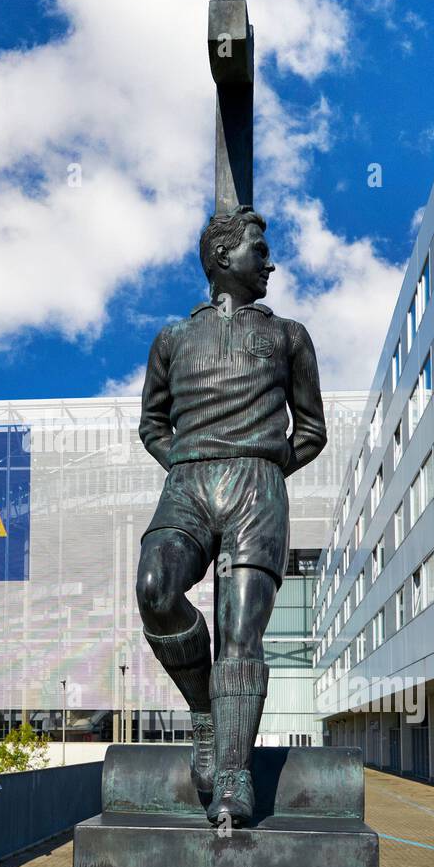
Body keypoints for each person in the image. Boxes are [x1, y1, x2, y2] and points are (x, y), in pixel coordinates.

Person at [137, 204, 326, 827]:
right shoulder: (172, 338)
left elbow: (312, 430)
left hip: (257, 488)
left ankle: (235, 780)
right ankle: (204, 715)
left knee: (241, 634)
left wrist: (266, 469)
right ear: (222, 257)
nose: (269, 260)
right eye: (257, 247)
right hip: (189, 484)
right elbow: (152, 425)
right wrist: (189, 461)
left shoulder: (288, 336)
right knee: (155, 588)